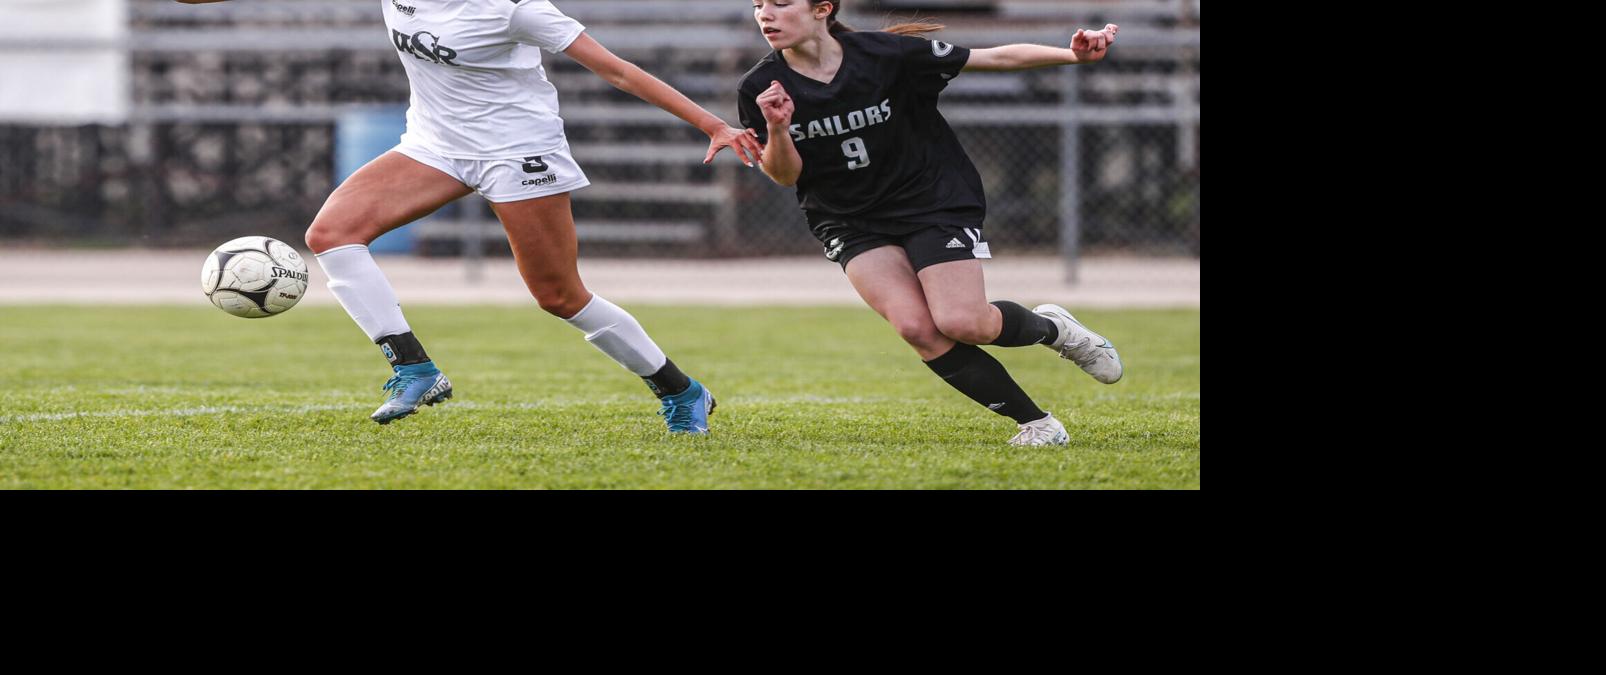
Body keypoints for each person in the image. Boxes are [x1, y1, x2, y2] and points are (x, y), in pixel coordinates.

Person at [177, 0, 764, 433]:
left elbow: (616, 70)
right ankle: (414, 369)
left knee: (559, 296)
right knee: (331, 234)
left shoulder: (514, 9)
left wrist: (711, 123)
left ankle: (681, 391)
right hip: (433, 145)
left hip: (519, 152)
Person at [739, 1, 1122, 446]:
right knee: (916, 328)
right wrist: (779, 128)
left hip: (930, 200)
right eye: (757, 5)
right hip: (848, 218)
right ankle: (1037, 424)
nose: (765, 14)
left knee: (964, 323)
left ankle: (1056, 330)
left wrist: (1072, 56)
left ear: (822, 8)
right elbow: (785, 175)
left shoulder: (885, 54)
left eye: (780, 3)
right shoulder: (758, 87)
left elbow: (992, 57)